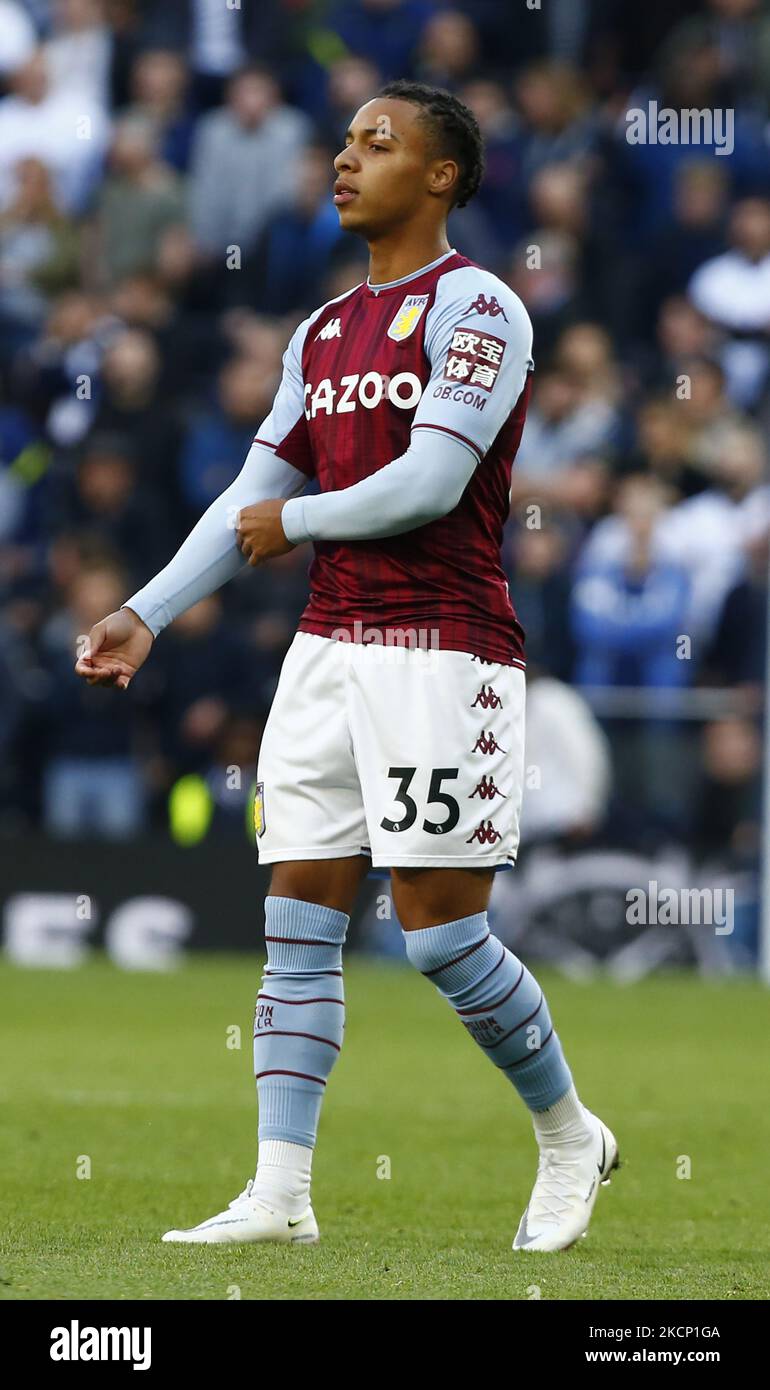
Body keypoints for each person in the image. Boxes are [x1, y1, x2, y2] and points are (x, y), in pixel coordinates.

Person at [74, 80, 620, 1254]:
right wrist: (146, 612)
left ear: (442, 176)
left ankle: (570, 1132)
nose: (345, 158)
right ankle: (280, 1192)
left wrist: (304, 521)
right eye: (343, 140)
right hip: (325, 650)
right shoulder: (319, 332)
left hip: (443, 651)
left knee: (435, 936)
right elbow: (247, 499)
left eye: (378, 143)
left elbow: (428, 482)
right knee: (298, 922)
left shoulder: (478, 308)